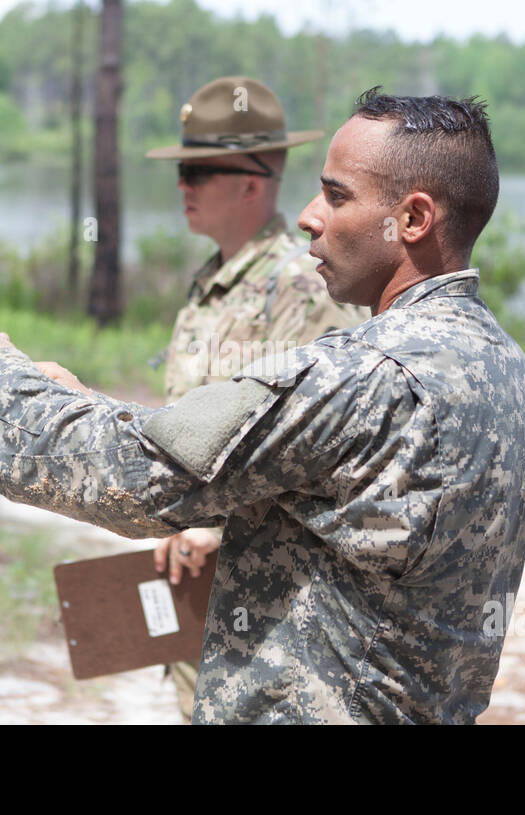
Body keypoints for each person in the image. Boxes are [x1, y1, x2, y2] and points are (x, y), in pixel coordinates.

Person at [0, 87, 525, 724]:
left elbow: (139, 478)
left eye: (337, 197)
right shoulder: (497, 358)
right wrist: (82, 402)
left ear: (413, 221)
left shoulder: (358, 374)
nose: (310, 215)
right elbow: (246, 452)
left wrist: (1, 383)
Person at [143, 76, 368, 717]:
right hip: (205, 598)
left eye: (196, 171)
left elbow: (335, 449)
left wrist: (219, 528)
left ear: (251, 181)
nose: (181, 186)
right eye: (180, 170)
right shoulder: (215, 277)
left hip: (272, 611)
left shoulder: (303, 287)